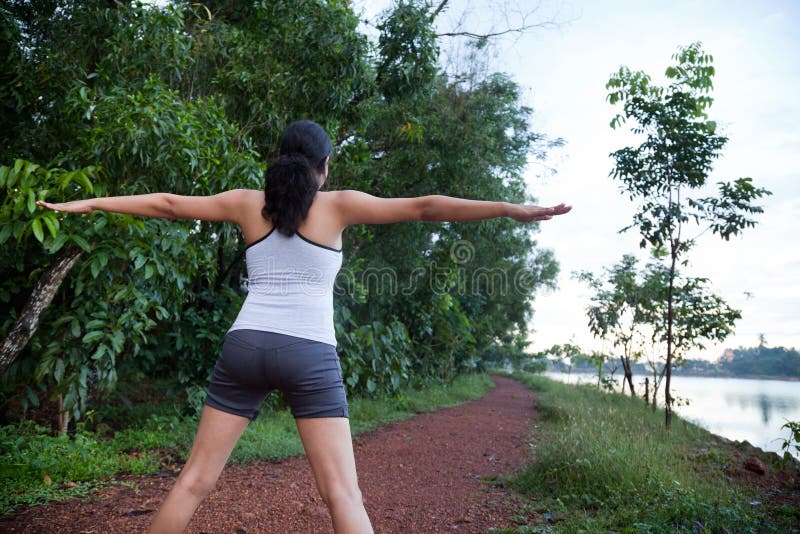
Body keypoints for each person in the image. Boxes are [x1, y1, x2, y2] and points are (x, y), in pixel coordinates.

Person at [36, 119, 571, 533]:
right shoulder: (340, 206)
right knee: (341, 494)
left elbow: (168, 203)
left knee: (194, 481)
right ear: (325, 164)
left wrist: (84, 203)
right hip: (309, 354)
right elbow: (428, 208)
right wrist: (508, 208)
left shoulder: (248, 205)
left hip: (244, 347)